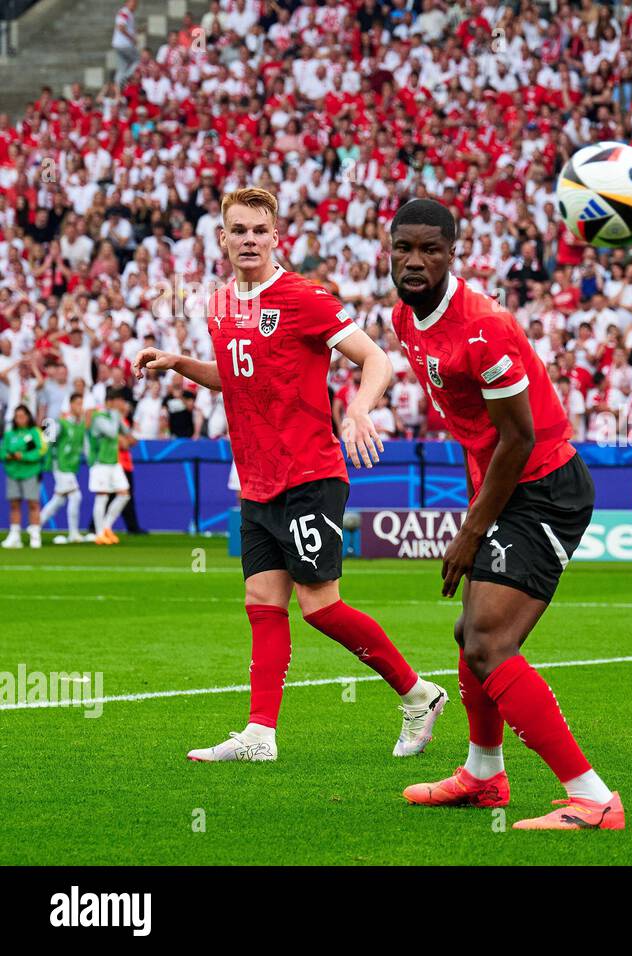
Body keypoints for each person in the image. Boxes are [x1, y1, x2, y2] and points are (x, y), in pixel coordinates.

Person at [132, 187, 446, 763]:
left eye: (259, 229)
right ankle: (259, 735)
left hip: (309, 474)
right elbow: (236, 378)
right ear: (222, 239)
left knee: (320, 606)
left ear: (276, 237)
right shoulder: (220, 304)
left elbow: (374, 357)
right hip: (256, 478)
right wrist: (181, 364)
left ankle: (417, 694)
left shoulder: (305, 298)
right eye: (238, 230)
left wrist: (358, 408)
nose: (249, 239)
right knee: (262, 600)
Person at [388, 199, 623, 831]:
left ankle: (594, 799)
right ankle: (485, 776)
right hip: (502, 488)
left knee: (491, 642)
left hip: (544, 486)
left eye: (430, 250)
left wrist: (471, 531)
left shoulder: (483, 327)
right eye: (403, 248)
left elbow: (516, 439)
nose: (415, 261)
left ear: (452, 253)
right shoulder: (403, 321)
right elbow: (478, 435)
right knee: (471, 639)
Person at [87, 388, 135, 545]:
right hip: (100, 463)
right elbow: (112, 432)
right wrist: (117, 415)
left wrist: (120, 418)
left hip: (114, 463)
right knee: (102, 497)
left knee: (124, 494)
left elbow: (127, 432)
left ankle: (106, 527)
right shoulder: (99, 417)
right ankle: (99, 533)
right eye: (118, 401)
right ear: (109, 402)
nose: (121, 404)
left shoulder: (114, 416)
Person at [38, 392, 88, 543]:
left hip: (71, 466)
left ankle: (35, 525)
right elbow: (48, 439)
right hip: (60, 465)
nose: (80, 407)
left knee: (58, 500)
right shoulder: (61, 423)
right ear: (71, 405)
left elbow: (83, 445)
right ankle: (73, 534)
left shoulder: (80, 425)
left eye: (82, 404)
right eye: (78, 404)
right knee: (76, 496)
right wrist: (48, 459)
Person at [2, 405, 47, 549]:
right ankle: (15, 535)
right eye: (17, 416)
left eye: (22, 416)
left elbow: (41, 450)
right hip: (13, 472)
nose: (20, 419)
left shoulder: (34, 432)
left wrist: (24, 456)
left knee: (33, 503)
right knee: (14, 504)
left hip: (30, 472)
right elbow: (2, 451)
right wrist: (8, 456)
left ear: (28, 417)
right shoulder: (10, 434)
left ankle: (35, 535)